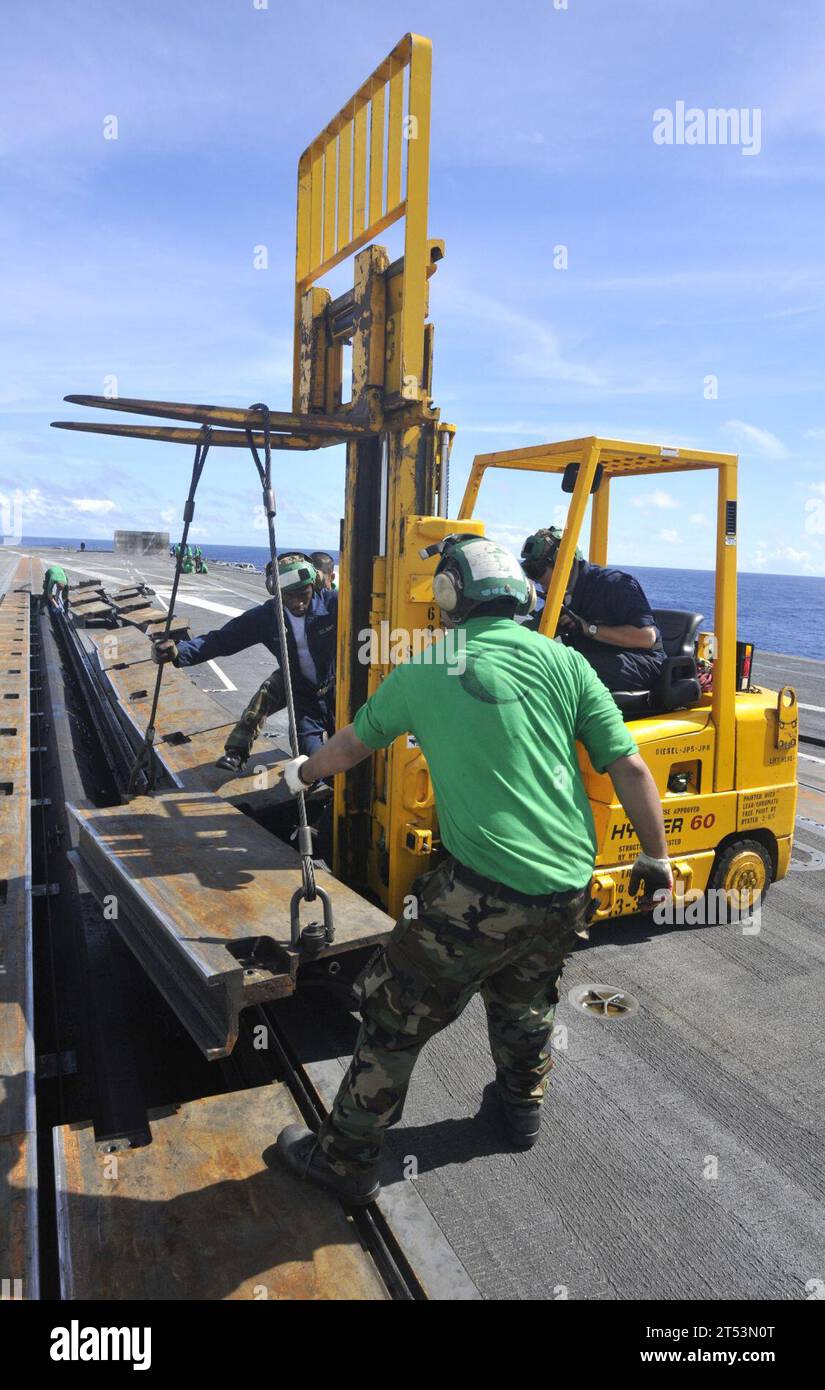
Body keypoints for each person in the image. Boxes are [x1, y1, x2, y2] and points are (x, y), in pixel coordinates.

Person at [275, 534, 673, 1205]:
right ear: (517, 593)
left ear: (450, 596)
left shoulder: (424, 670)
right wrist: (656, 856)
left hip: (480, 894)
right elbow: (628, 766)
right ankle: (519, 1114)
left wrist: (299, 773)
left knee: (393, 1013)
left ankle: (343, 1161)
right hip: (568, 885)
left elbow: (345, 748)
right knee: (525, 1003)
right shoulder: (564, 663)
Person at [152, 553, 338, 770]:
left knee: (354, 754)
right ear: (276, 593)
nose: (298, 604)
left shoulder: (334, 604)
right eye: (289, 596)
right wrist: (178, 652)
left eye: (304, 595)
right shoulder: (267, 617)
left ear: (314, 585)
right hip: (303, 697)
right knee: (313, 762)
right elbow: (222, 640)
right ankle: (238, 751)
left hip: (339, 690)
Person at [520, 527, 666, 695]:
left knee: (568, 666)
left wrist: (588, 628)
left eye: (538, 571)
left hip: (643, 664)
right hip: (593, 659)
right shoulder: (562, 592)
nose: (539, 582)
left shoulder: (615, 584)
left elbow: (646, 637)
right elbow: (534, 630)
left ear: (562, 560)